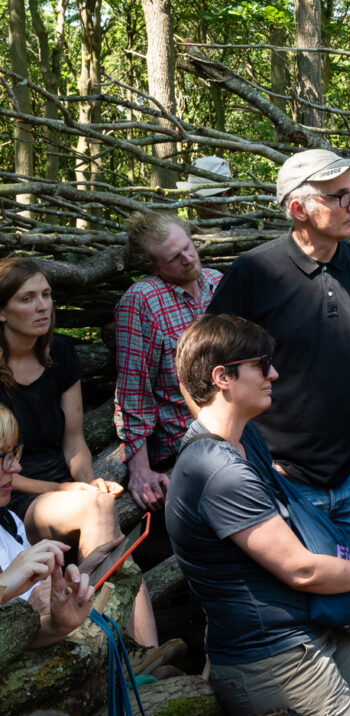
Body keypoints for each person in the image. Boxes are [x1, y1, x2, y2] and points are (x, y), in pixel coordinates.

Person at [165, 314, 350, 716]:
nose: (274, 372)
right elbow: (301, 569)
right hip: (274, 657)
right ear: (222, 377)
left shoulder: (245, 439)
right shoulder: (217, 470)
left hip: (313, 632)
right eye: (260, 364)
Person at [206, 148, 350, 562]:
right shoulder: (255, 272)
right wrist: (241, 454)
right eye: (340, 197)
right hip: (282, 480)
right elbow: (204, 365)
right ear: (299, 208)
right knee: (300, 612)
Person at [0, 256, 158, 647]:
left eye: (47, 295)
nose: (43, 306)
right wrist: (66, 492)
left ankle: (139, 650)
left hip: (59, 489)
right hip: (14, 494)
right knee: (96, 510)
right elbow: (5, 471)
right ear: (1, 313)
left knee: (101, 506)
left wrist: (89, 483)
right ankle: (128, 648)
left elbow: (74, 441)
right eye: (28, 298)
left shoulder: (62, 355)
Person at [115, 210, 222, 511]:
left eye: (187, 246)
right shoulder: (142, 301)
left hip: (236, 426)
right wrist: (140, 469)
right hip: (185, 442)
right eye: (174, 257)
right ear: (153, 266)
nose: (188, 258)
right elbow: (133, 391)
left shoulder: (217, 282)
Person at [0, 404, 97, 649]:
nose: (16, 467)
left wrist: (58, 623)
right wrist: (8, 591)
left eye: (15, 453)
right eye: (4, 458)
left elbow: (28, 635)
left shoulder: (9, 521)